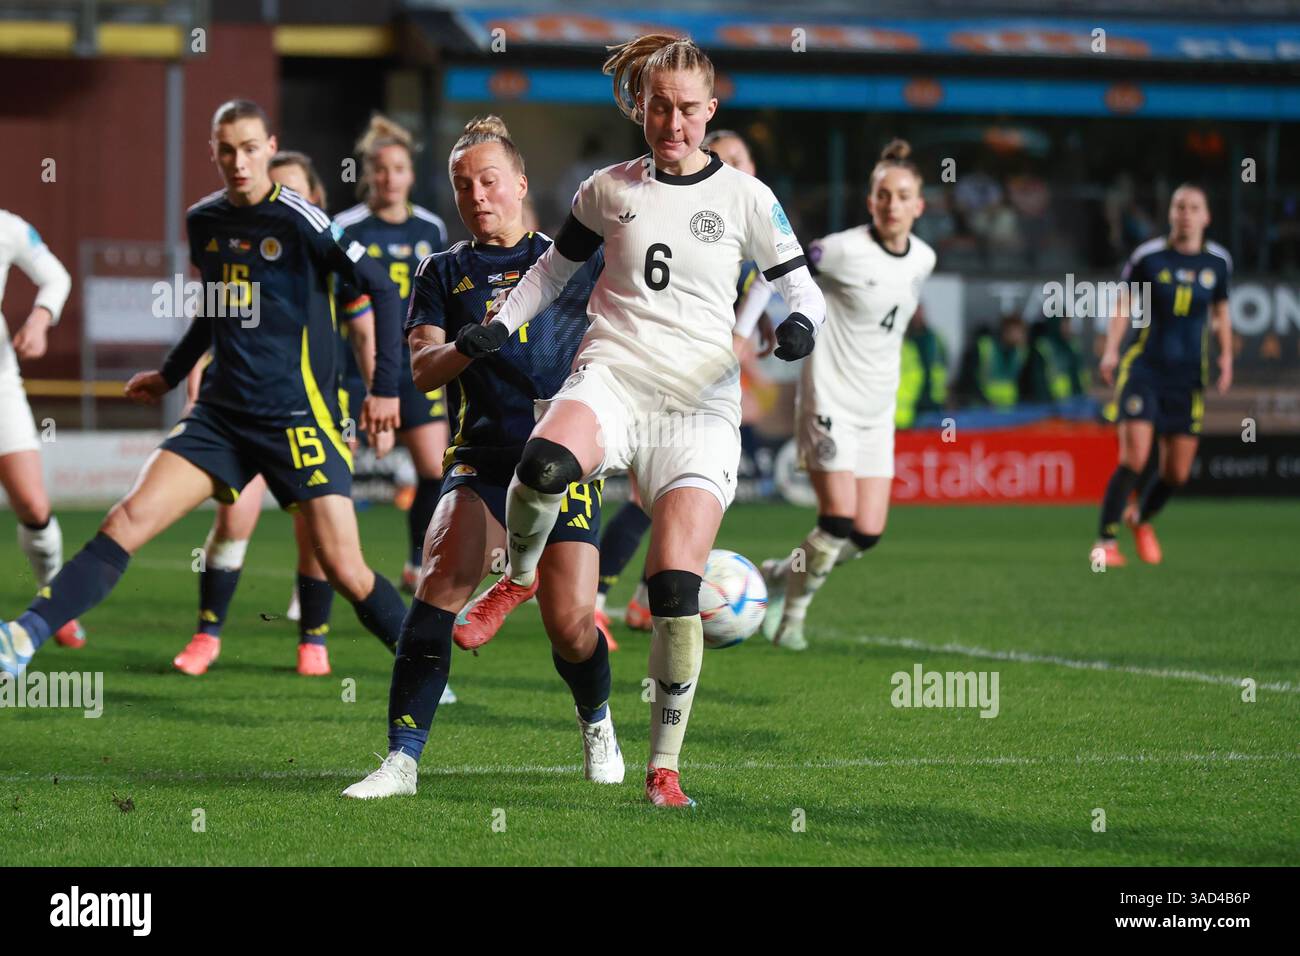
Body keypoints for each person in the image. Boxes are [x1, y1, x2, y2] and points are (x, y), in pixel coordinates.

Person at [451, 35, 826, 807]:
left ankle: (664, 769)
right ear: (641, 108)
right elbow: (551, 270)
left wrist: (800, 327)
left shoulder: (747, 199)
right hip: (613, 376)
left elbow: (802, 287)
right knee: (543, 467)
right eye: (660, 106)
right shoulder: (608, 189)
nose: (675, 122)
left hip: (700, 406)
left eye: (689, 109)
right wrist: (499, 324)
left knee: (675, 586)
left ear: (710, 110)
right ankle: (517, 580)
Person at [0, 99, 410, 678]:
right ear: (212, 153)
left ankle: (421, 668)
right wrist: (171, 373)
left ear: (270, 147)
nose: (237, 162)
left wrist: (385, 389)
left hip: (299, 418)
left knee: (345, 568)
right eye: (225, 150)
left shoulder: (302, 218)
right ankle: (24, 636)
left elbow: (384, 292)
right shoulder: (205, 221)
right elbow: (217, 312)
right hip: (221, 415)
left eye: (248, 148)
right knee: (127, 519)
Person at [343, 116, 621, 799]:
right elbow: (424, 369)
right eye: (463, 186)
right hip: (479, 458)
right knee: (438, 584)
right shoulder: (442, 271)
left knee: (572, 626)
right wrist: (469, 344)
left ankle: (598, 721)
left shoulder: (572, 264)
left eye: (489, 181)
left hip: (561, 462)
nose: (476, 196)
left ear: (521, 184)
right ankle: (402, 761)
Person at [593, 127, 775, 637]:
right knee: (648, 497)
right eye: (725, 156)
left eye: (742, 157)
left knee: (673, 500)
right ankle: (600, 597)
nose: (732, 165)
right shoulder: (687, 216)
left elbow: (758, 281)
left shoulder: (745, 215)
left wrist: (751, 325)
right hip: (663, 370)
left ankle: (637, 598)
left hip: (709, 379)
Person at [761, 139, 936, 650]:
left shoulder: (924, 259)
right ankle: (793, 616)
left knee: (866, 535)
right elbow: (785, 271)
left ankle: (778, 574)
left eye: (903, 195)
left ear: (919, 205)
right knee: (836, 520)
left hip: (877, 413)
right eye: (883, 194)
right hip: (829, 401)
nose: (892, 204)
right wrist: (757, 326)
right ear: (870, 201)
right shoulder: (839, 250)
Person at [333, 115, 450, 593]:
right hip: (355, 368)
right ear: (368, 173)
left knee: (435, 469)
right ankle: (322, 569)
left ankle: (417, 562)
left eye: (398, 168)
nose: (389, 177)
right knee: (333, 471)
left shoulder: (431, 228)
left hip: (415, 367)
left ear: (409, 174)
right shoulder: (346, 228)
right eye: (380, 169)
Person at [1093, 183, 1232, 566]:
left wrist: (1227, 358)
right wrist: (1110, 350)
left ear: (1207, 217)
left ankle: (1140, 519)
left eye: (1193, 207)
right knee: (1134, 457)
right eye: (1179, 206)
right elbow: (1124, 305)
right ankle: (1105, 543)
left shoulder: (1218, 263)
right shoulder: (1149, 257)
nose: (1185, 213)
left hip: (1188, 379)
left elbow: (1221, 312)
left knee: (1177, 472)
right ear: (1170, 214)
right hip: (1144, 370)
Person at [0, 209, 83, 649]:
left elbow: (57, 277)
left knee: (33, 505)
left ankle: (54, 603)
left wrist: (39, 319)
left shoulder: (7, 228)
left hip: (0, 386)